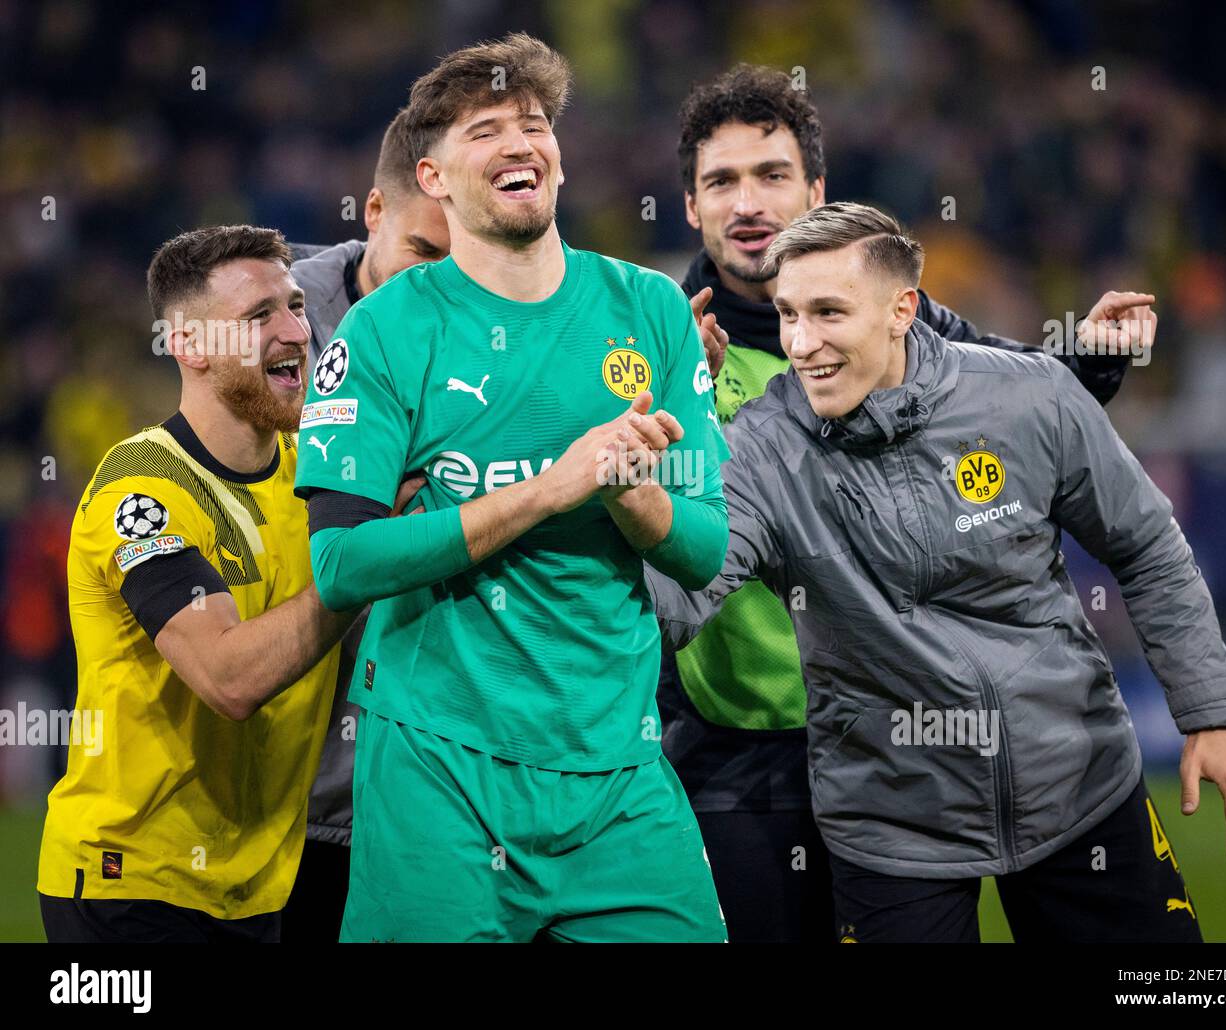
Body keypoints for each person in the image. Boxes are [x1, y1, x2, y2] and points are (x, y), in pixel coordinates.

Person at [649, 202, 1226, 943]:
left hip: (1078, 786)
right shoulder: (760, 448)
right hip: (891, 829)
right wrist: (659, 467)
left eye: (828, 312)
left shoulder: (1029, 394)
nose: (802, 343)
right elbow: (682, 598)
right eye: (789, 315)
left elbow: (1145, 544)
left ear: (902, 309)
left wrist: (1211, 715)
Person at [662, 62, 1149, 942]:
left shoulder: (905, 323)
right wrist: (676, 406)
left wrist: (1096, 358)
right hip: (742, 757)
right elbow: (626, 530)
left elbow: (1016, 391)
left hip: (899, 743)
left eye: (772, 176)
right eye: (721, 181)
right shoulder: (649, 337)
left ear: (815, 189)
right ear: (690, 206)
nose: (749, 202)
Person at [293, 33, 730, 942]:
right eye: (485, 131)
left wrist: (626, 493)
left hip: (615, 765)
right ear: (435, 177)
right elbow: (340, 563)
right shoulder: (378, 334)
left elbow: (705, 547)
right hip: (435, 770)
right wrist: (548, 488)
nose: (520, 142)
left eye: (534, 124)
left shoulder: (649, 310)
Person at [37, 225, 420, 943]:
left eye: (297, 305)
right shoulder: (142, 490)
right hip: (132, 889)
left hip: (258, 889)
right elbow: (228, 677)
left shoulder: (319, 474)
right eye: (258, 317)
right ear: (189, 346)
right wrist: (365, 563)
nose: (295, 332)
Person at [281, 104, 451, 943]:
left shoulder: (489, 329)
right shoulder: (274, 333)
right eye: (423, 253)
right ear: (373, 213)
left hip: (433, 766)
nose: (436, 282)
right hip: (289, 778)